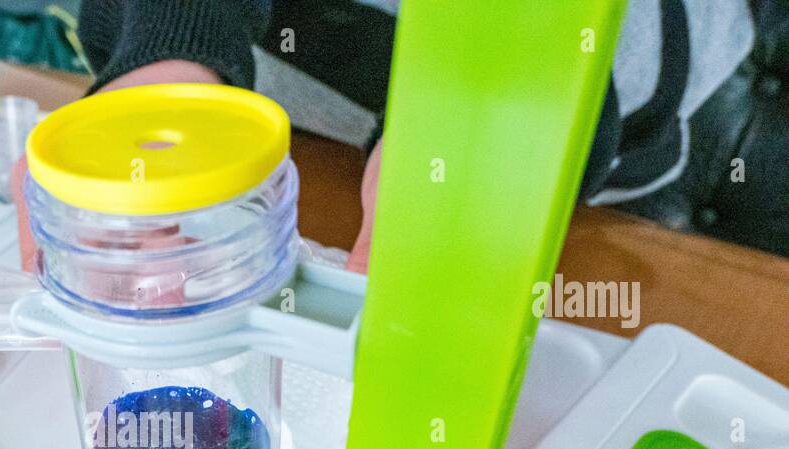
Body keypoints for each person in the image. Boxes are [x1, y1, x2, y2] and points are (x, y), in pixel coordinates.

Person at [66, 0, 763, 269]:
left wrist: (471, 109)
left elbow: (555, 49)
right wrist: (163, 66)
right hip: (305, 123)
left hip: (579, 108)